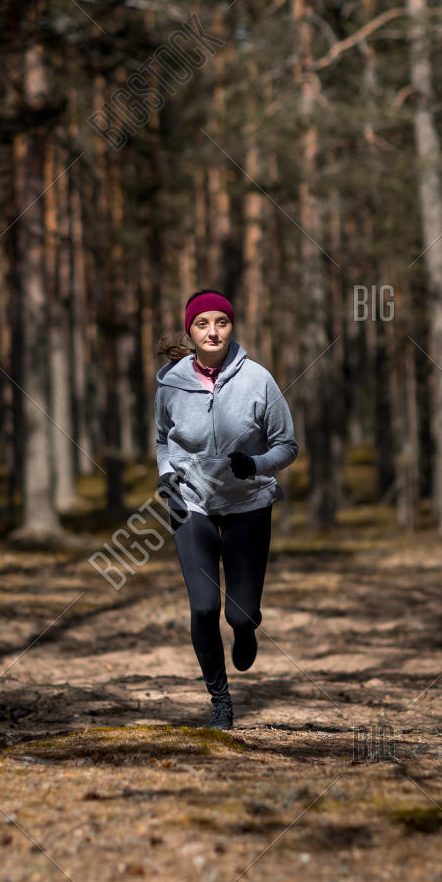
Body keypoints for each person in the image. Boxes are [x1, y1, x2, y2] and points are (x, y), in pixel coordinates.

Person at [154, 290, 298, 730]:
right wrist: (166, 474)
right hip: (191, 503)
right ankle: (221, 703)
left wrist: (256, 464)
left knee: (238, 611)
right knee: (203, 607)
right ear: (191, 331)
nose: (212, 332)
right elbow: (163, 440)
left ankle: (246, 626)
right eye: (202, 324)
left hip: (247, 503)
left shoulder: (258, 379)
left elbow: (287, 445)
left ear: (231, 326)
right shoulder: (171, 384)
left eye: (221, 322)